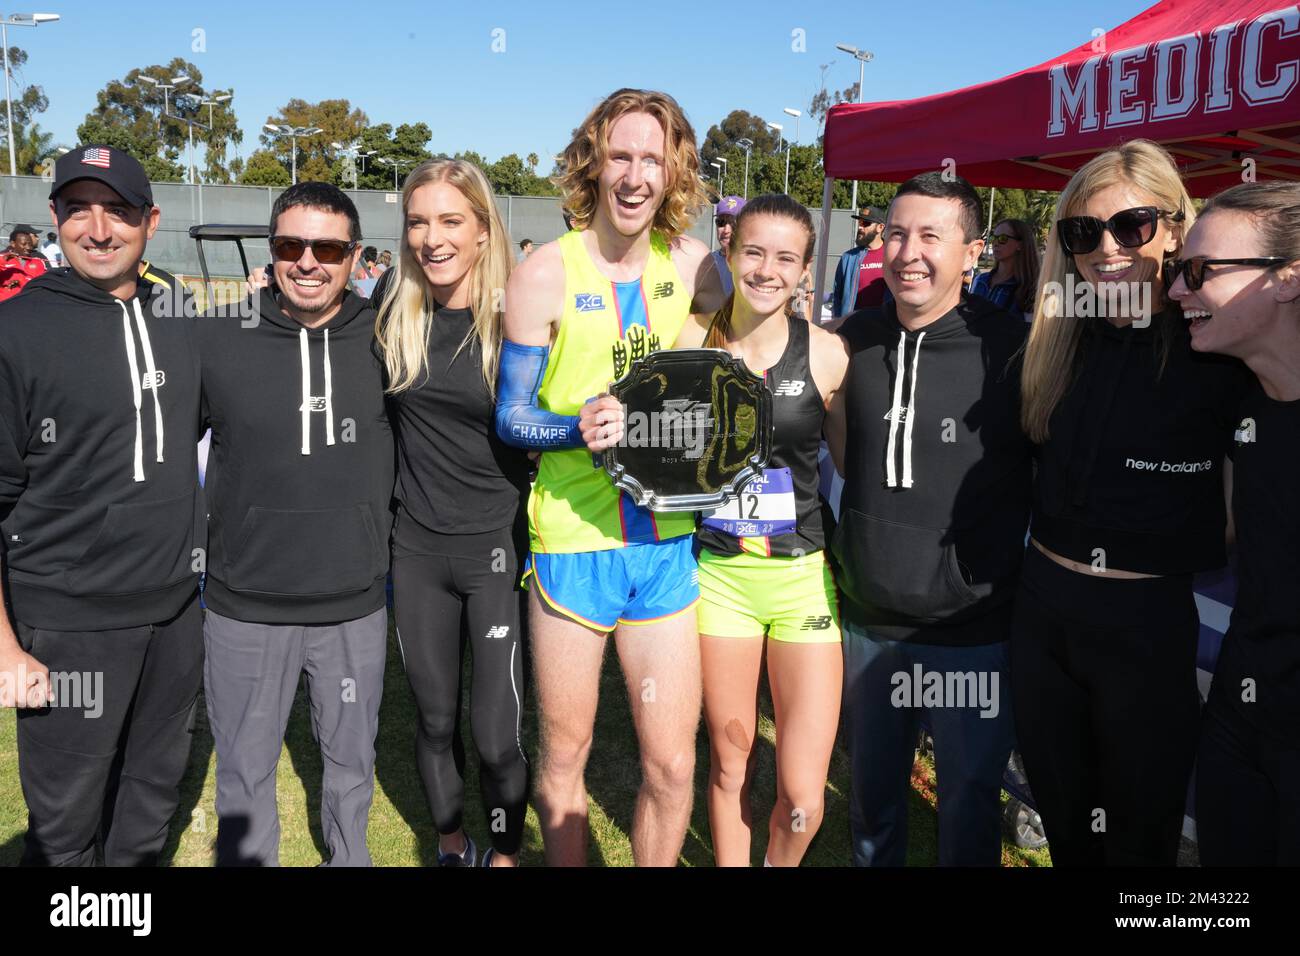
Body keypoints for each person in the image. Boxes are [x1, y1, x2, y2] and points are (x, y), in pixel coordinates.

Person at [496, 87, 724, 866]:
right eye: (619, 156)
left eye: (651, 160)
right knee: (566, 757)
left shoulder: (698, 267)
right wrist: (573, 429)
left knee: (672, 762)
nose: (633, 176)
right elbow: (511, 416)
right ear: (594, 165)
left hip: (666, 546)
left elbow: (733, 350)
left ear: (673, 172)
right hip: (573, 543)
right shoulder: (540, 276)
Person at [1012, 139, 1248, 866]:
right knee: (1069, 836)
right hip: (1043, 616)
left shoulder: (1220, 349)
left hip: (1146, 631)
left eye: (1132, 226)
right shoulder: (1056, 341)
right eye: (1083, 232)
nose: (1106, 249)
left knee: (1141, 847)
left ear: (1176, 228)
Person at [0, 145, 204, 865]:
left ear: (149, 221)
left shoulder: (178, 309)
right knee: (64, 824)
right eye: (77, 209)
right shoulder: (16, 330)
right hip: (68, 624)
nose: (97, 228)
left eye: (117, 210)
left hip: (176, 613)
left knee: (150, 799)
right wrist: (4, 646)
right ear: (54, 218)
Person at [833, 172, 1032, 866]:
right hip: (866, 620)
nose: (907, 252)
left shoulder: (1014, 350)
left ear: (974, 252)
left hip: (971, 633)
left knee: (967, 805)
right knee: (872, 804)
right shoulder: (850, 338)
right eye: (895, 233)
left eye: (929, 236)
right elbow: (835, 444)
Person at [198, 182, 394, 867]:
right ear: (272, 249)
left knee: (350, 769)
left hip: (355, 605)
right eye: (290, 245)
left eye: (329, 247)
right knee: (245, 777)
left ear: (355, 255)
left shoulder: (388, 339)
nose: (308, 261)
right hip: (243, 607)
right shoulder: (219, 338)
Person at [674, 194, 849, 866]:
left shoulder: (829, 357)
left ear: (806, 269)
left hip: (802, 583)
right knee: (730, 762)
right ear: (728, 252)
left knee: (803, 796)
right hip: (718, 581)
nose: (766, 269)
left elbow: (850, 469)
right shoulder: (690, 342)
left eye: (785, 257)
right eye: (753, 251)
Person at [377, 159, 531, 868]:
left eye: (449, 221)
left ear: (481, 230)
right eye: (417, 221)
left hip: (496, 554)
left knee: (497, 735)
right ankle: (451, 845)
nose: (430, 239)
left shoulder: (516, 318)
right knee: (434, 718)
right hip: (416, 551)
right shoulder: (393, 308)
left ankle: (502, 851)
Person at [1168, 181, 1300, 865]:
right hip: (1242, 711)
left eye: (1200, 272)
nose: (1176, 291)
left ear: (1287, 279)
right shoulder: (1240, 406)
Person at [970, 218, 1039, 320]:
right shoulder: (980, 280)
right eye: (994, 238)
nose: (995, 243)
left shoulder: (1030, 289)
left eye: (1003, 238)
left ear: (1020, 245)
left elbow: (1030, 331)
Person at [831, 205, 886, 319]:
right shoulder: (848, 258)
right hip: (851, 328)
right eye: (860, 223)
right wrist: (838, 321)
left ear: (880, 227)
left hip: (885, 328)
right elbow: (837, 296)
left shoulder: (893, 256)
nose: (860, 227)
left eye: (866, 223)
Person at [0, 223, 49, 301]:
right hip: (5, 305)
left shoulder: (38, 261)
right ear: (13, 243)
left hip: (30, 304)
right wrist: (2, 261)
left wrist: (22, 282)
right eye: (24, 244)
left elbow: (45, 283)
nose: (28, 247)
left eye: (29, 244)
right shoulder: (3, 258)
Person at [711, 195, 744, 297]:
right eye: (721, 223)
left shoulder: (756, 265)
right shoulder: (706, 263)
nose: (726, 230)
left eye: (733, 223)